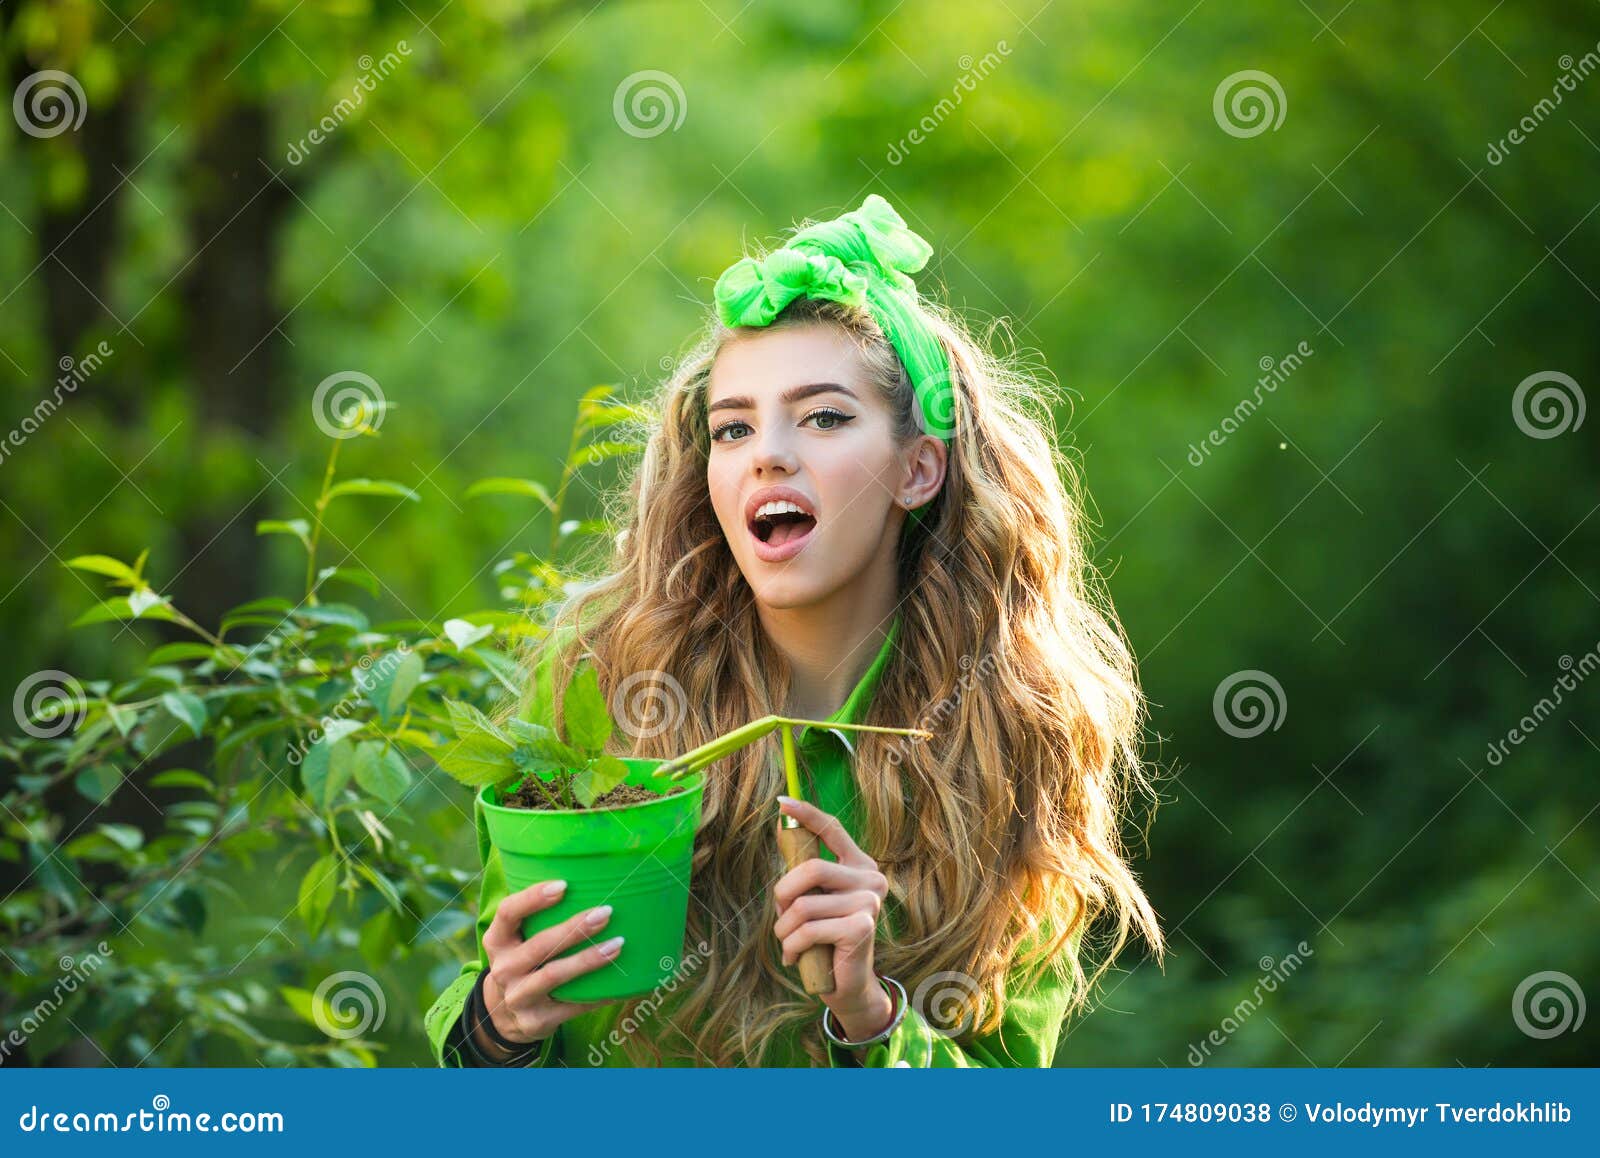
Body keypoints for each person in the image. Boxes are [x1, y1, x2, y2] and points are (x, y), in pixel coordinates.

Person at [424, 193, 1165, 1067]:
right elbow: (487, 1046)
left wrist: (867, 1016)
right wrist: (497, 1026)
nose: (769, 452)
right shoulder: (602, 674)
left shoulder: (1016, 730)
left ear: (919, 469)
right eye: (733, 428)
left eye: (824, 417)